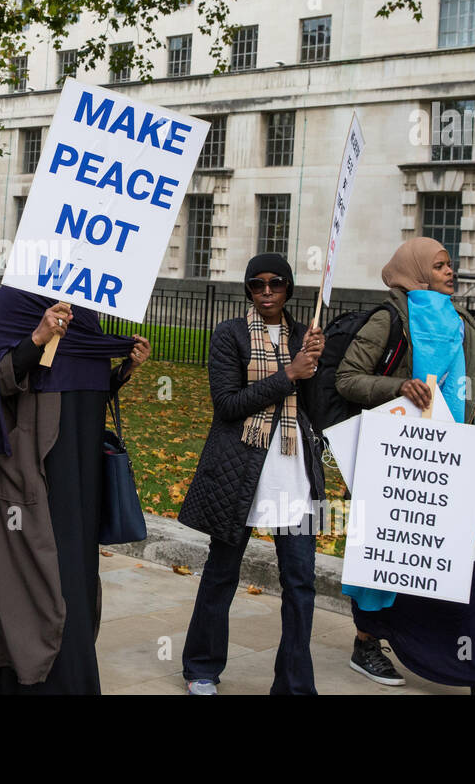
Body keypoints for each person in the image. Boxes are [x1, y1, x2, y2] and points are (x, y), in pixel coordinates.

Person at [335, 236, 475, 695]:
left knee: (463, 569)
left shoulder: (462, 322)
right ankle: (367, 644)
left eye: (451, 264)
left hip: (448, 468)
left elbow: (466, 392)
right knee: (384, 562)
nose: (452, 271)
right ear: (417, 270)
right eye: (442, 265)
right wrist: (400, 388)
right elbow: (348, 379)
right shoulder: (390, 319)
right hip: (394, 465)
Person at [0, 288, 150, 694]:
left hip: (82, 468)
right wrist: (35, 339)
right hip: (36, 469)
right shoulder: (12, 302)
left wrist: (123, 370)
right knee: (37, 573)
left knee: (77, 574)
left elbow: (85, 387)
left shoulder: (84, 308)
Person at [177, 253, 326, 695]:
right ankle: (201, 668)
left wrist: (316, 364)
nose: (266, 292)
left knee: (300, 582)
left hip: (295, 472)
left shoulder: (307, 335)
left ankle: (295, 684)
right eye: (257, 285)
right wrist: (289, 374)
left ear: (288, 289)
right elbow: (227, 404)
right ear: (248, 289)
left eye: (275, 284)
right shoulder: (230, 335)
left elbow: (318, 408)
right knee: (221, 572)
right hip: (240, 470)